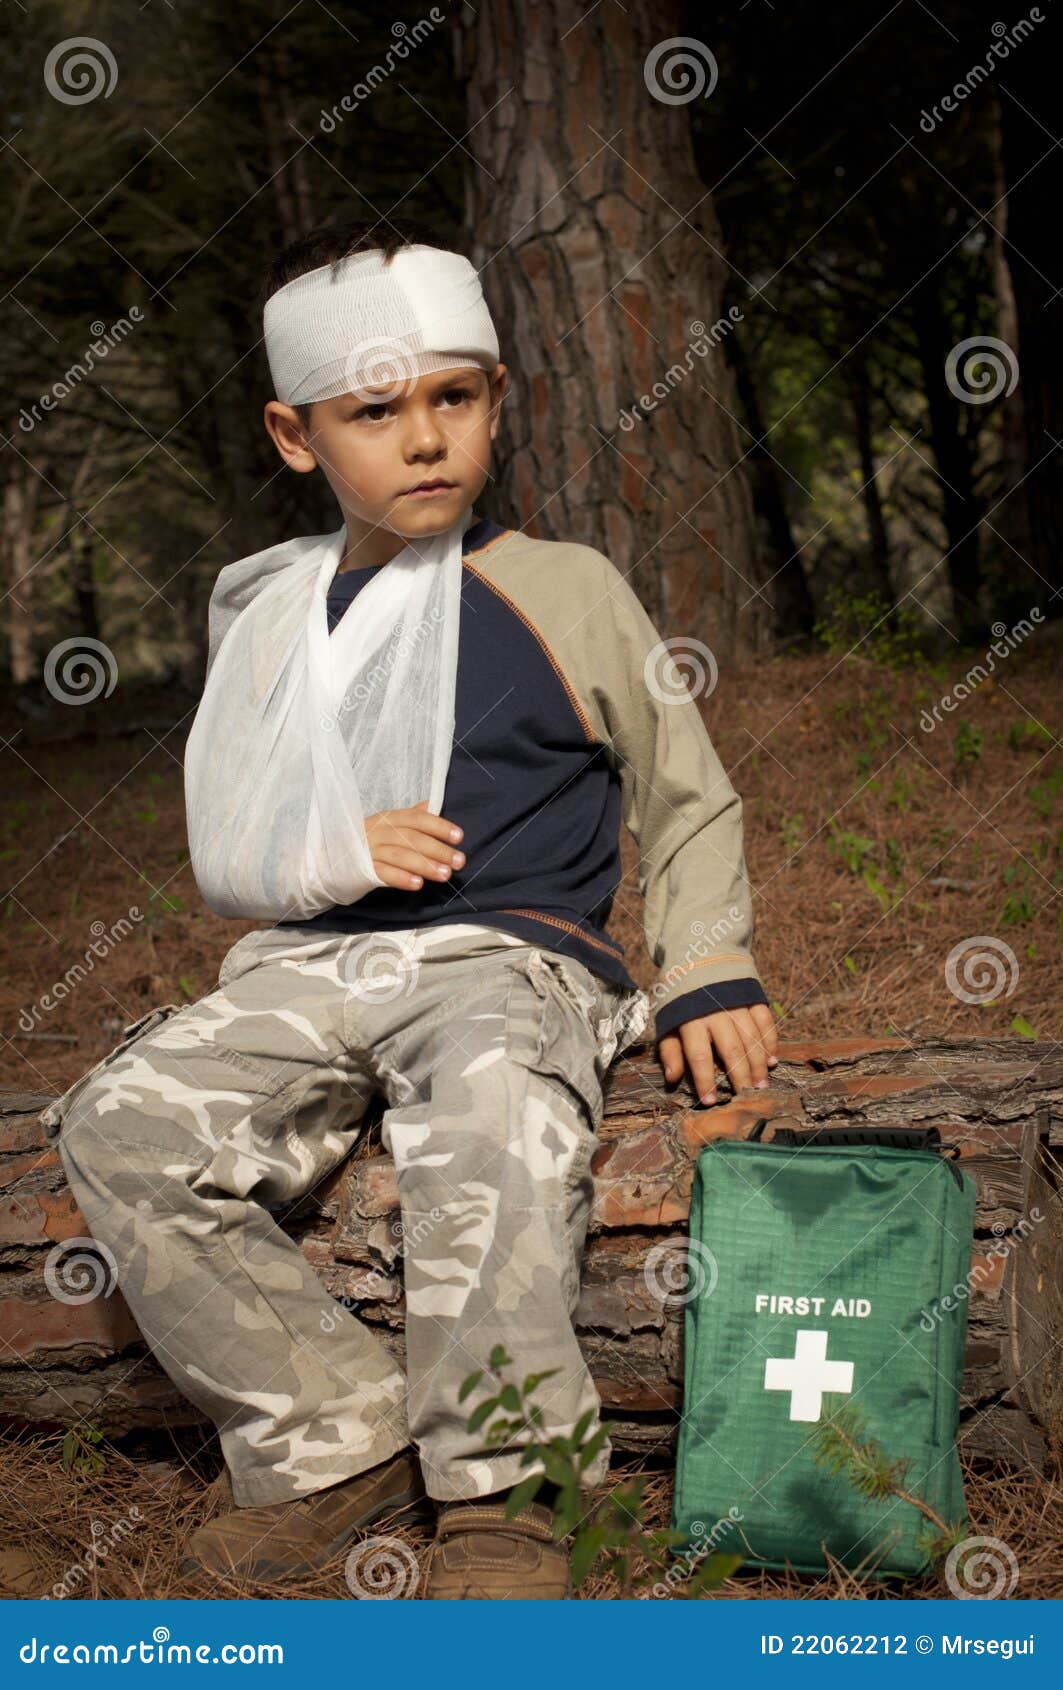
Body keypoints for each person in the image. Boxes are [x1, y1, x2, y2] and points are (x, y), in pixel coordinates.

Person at [47, 218, 777, 1600]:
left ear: (499, 396)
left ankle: (512, 1488)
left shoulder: (565, 587)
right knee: (118, 1124)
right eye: (374, 412)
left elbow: (687, 791)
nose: (425, 439)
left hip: (510, 960)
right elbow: (239, 841)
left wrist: (708, 963)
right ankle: (336, 1438)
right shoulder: (274, 617)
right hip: (306, 967)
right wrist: (332, 845)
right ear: (295, 435)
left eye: (454, 397)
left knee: (490, 1110)